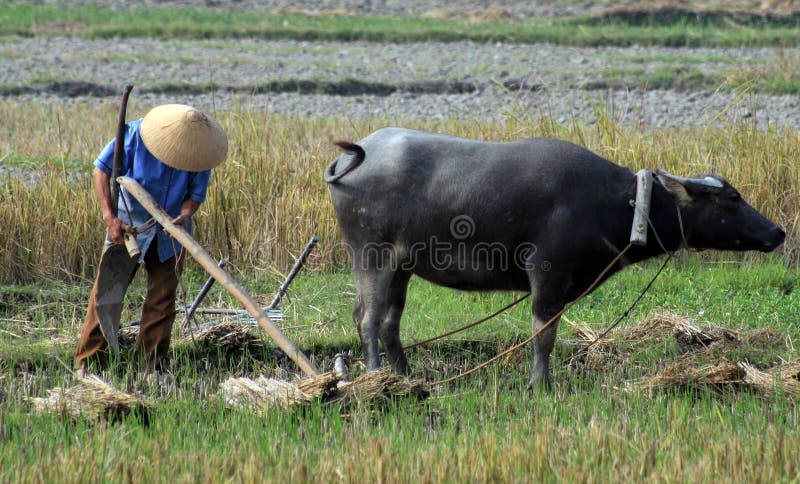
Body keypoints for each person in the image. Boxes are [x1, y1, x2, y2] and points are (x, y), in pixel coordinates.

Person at [74, 104, 227, 376]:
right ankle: (89, 363)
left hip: (170, 234)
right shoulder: (134, 134)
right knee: (106, 293)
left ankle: (151, 367)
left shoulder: (200, 153)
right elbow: (101, 169)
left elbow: (195, 194)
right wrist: (110, 218)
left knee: (162, 300)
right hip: (128, 227)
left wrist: (184, 215)